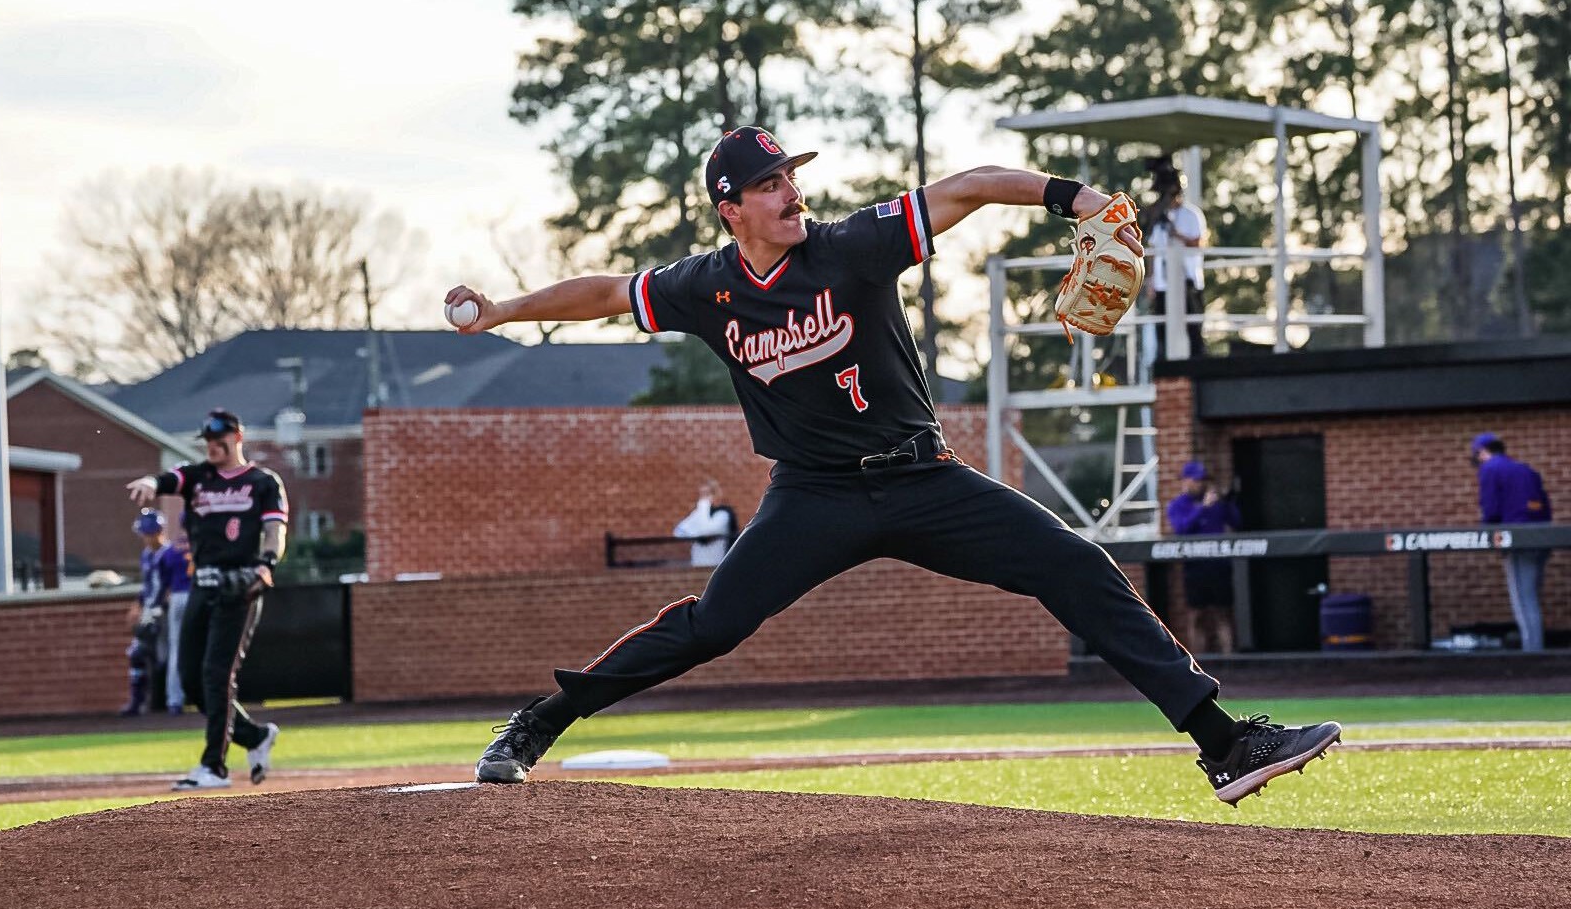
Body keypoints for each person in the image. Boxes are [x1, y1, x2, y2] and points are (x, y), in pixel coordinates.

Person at [444, 126, 1340, 805]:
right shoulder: (707, 286)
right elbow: (606, 292)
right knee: (713, 622)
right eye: (768, 184)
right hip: (813, 497)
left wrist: (1076, 197)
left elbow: (977, 185)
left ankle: (1225, 743)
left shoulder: (851, 245)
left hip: (924, 480)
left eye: (790, 175)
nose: (791, 191)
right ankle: (543, 720)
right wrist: (502, 309)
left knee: (1074, 564)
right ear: (731, 208)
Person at [125, 408, 287, 790]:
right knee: (191, 680)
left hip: (241, 587)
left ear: (237, 438)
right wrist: (151, 481)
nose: (213, 447)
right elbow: (171, 478)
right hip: (203, 586)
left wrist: (267, 565)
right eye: (208, 442)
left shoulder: (264, 482)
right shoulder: (199, 478)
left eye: (220, 440)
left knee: (217, 674)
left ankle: (214, 766)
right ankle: (254, 736)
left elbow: (275, 530)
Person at [1471, 433, 1554, 652]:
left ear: (1482, 451)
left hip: (1518, 540)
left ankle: (1533, 654)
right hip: (1542, 537)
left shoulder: (1490, 468)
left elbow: (1491, 510)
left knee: (1524, 600)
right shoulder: (1526, 469)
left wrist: (1489, 534)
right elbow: (1545, 507)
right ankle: (1535, 649)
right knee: (1532, 596)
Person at [1166, 461, 1242, 655]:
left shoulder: (1216, 502)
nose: (1201, 484)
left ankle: (1229, 659)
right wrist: (1202, 508)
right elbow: (1181, 529)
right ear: (1186, 481)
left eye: (1203, 480)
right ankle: (1198, 663)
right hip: (1195, 566)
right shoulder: (1177, 505)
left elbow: (1236, 522)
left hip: (1218, 564)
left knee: (1223, 613)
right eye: (1197, 480)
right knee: (1196, 615)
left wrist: (1227, 500)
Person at [1141, 165, 1209, 358]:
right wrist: (1151, 281)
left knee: (1193, 329)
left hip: (1188, 282)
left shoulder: (1191, 214)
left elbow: (1198, 243)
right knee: (1162, 331)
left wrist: (1177, 234)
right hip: (1163, 285)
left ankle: (1197, 366)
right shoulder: (1158, 219)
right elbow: (1153, 250)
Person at [119, 509, 168, 717]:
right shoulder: (147, 555)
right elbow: (147, 585)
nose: (147, 538)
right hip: (149, 609)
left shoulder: (168, 553)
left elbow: (168, 585)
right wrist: (137, 606)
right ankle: (138, 700)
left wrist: (161, 607)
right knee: (138, 653)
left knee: (164, 656)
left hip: (163, 610)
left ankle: (162, 700)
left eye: (150, 533)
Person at [156, 529, 194, 715]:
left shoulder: (170, 549)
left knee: (176, 650)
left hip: (177, 597)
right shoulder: (202, 543)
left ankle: (174, 700)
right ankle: (209, 698)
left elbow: (163, 582)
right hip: (198, 596)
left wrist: (157, 603)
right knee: (206, 648)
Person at [672, 480, 736, 567]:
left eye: (707, 494)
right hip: (697, 563)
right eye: (702, 495)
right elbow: (679, 531)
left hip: (716, 565)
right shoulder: (700, 513)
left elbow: (705, 531)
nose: (703, 499)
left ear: (716, 495)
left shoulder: (723, 514)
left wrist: (703, 505)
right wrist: (695, 534)